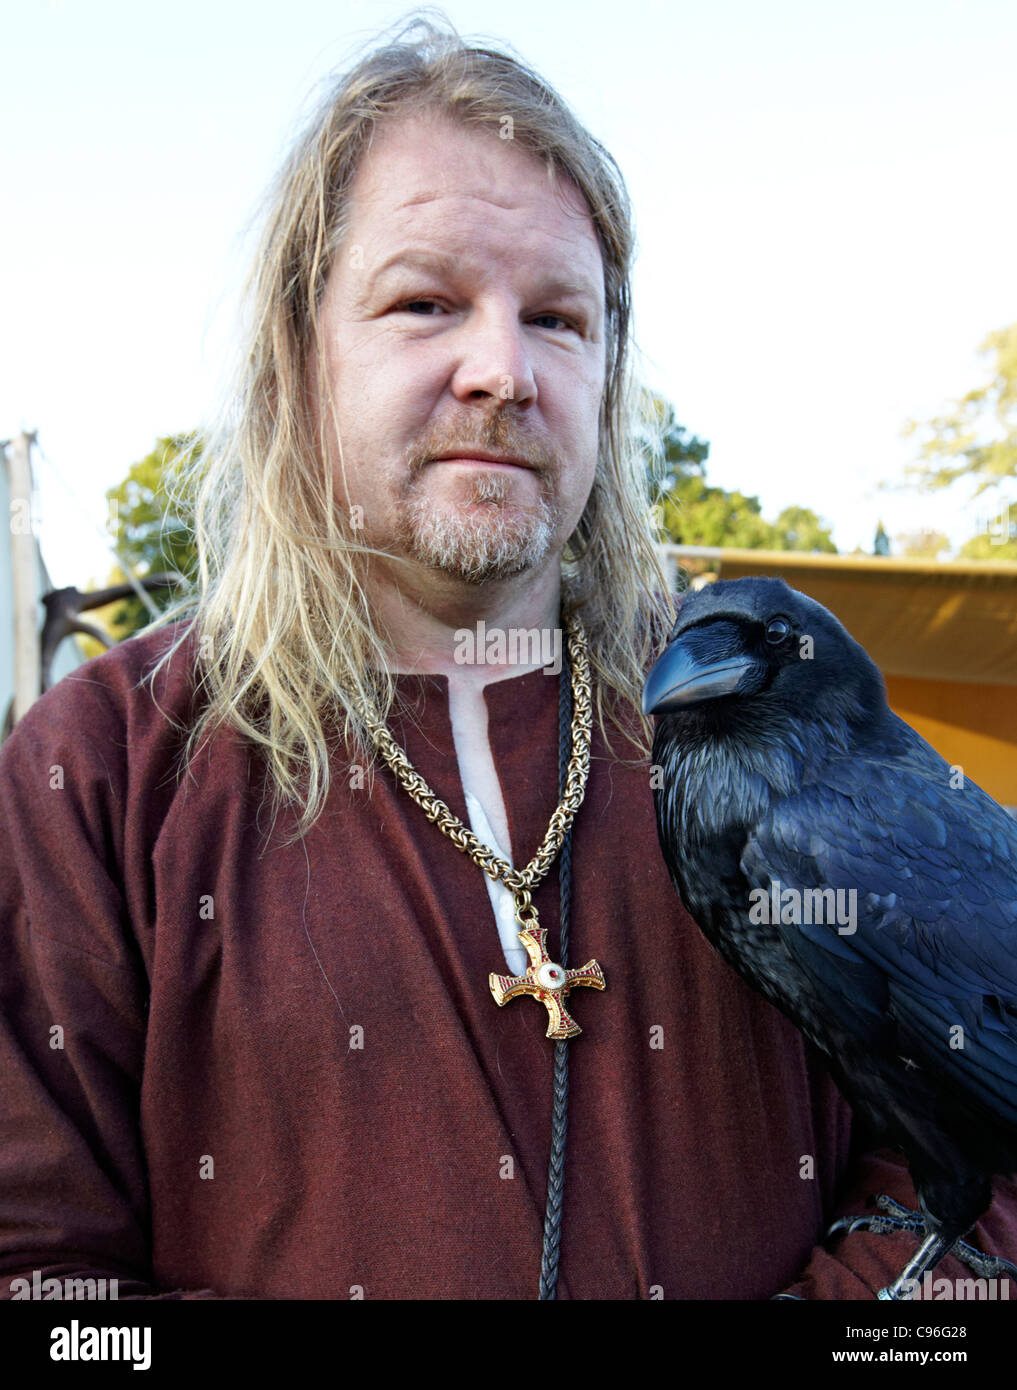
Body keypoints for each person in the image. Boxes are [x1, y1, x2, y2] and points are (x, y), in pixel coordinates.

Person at [2, 13, 1015, 1302]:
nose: (503, 370)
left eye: (558, 319)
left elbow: (983, 1140)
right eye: (426, 303)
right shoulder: (94, 773)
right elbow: (40, 1297)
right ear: (299, 356)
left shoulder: (790, 722)